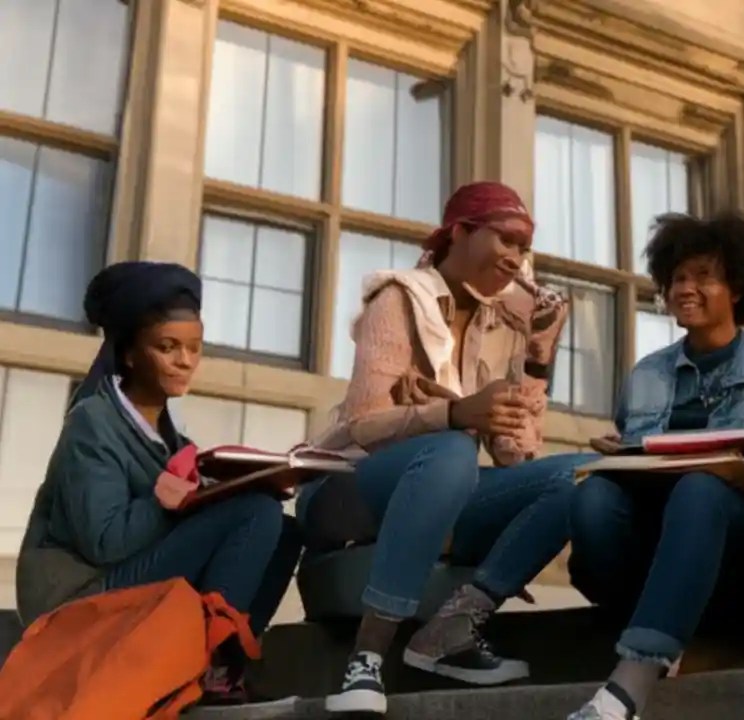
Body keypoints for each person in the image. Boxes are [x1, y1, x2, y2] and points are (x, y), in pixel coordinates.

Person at [300, 182, 596, 716]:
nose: (516, 258)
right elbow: (363, 425)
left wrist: (537, 357)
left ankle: (451, 629)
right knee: (452, 450)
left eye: (524, 248)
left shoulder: (504, 321)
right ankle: (366, 661)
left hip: (443, 489)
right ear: (459, 232)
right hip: (349, 486)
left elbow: (515, 455)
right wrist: (455, 414)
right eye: (505, 239)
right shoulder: (397, 299)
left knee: (582, 474)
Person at [16, 261, 302, 704]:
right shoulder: (93, 423)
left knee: (284, 528)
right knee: (255, 513)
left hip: (131, 573)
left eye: (194, 348)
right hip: (80, 596)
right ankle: (211, 664)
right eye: (167, 347)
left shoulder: (174, 439)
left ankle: (225, 661)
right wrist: (167, 500)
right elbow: (104, 542)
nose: (185, 361)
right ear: (130, 354)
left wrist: (246, 482)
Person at [566, 213, 744, 720]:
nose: (685, 289)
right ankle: (663, 624)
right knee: (593, 495)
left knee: (700, 488)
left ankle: (627, 688)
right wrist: (622, 457)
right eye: (677, 277)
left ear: (737, 288)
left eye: (703, 276)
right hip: (656, 545)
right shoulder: (648, 374)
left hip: (743, 550)